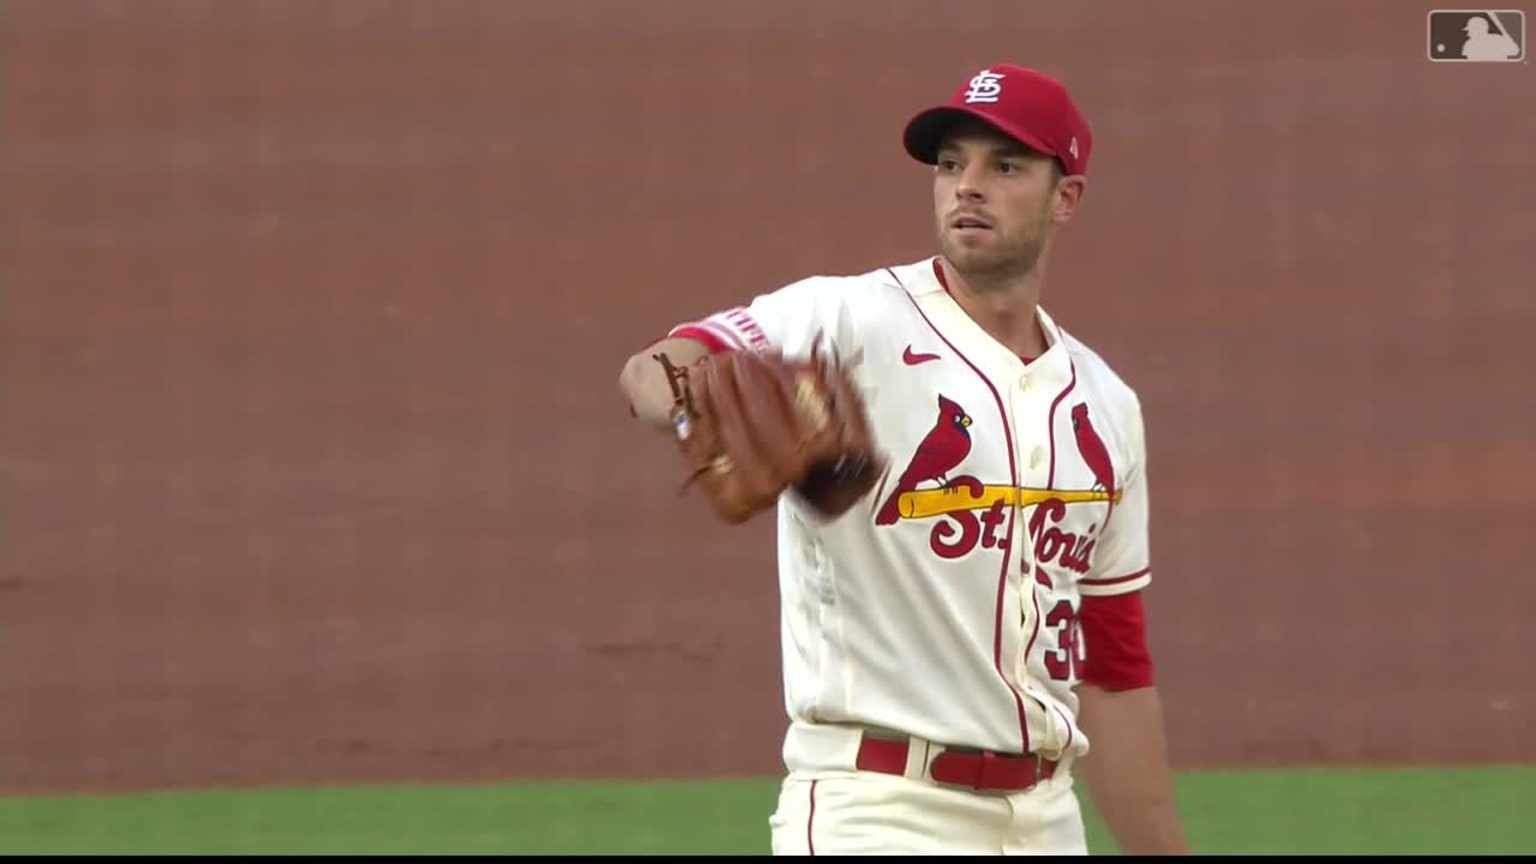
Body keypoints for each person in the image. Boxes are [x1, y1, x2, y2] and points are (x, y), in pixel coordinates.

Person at [617, 63, 1189, 855]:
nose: (968, 187)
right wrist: (690, 408)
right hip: (877, 811)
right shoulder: (847, 319)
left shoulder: (1106, 405)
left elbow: (1112, 665)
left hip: (1047, 822)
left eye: (1005, 166)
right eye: (952, 165)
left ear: (1067, 197)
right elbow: (654, 366)